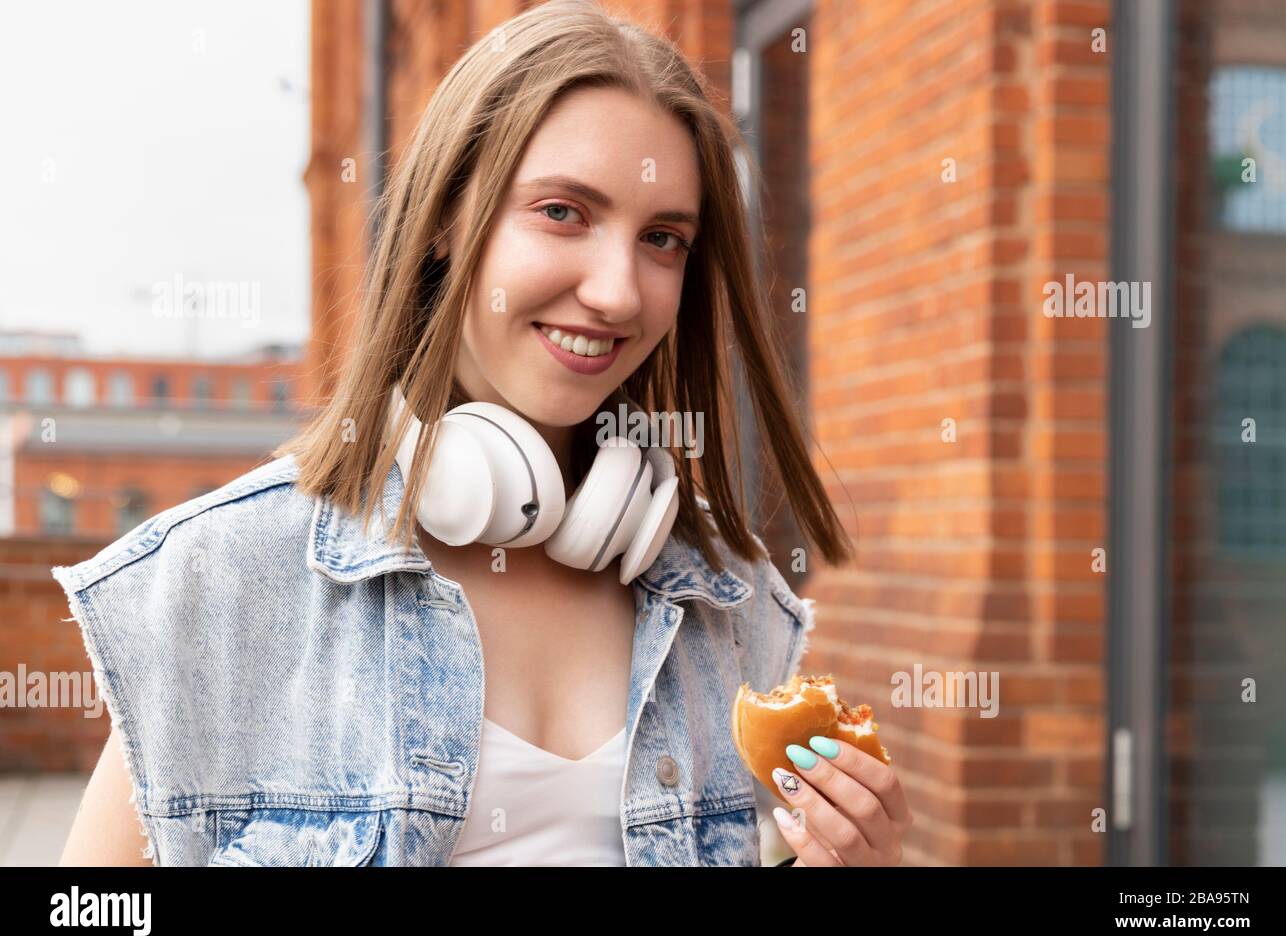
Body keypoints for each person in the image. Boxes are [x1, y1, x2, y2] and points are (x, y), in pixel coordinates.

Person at [54, 0, 909, 866]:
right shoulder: (230, 583)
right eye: (563, 212)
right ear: (441, 223)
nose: (618, 290)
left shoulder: (733, 606)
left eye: (662, 237)